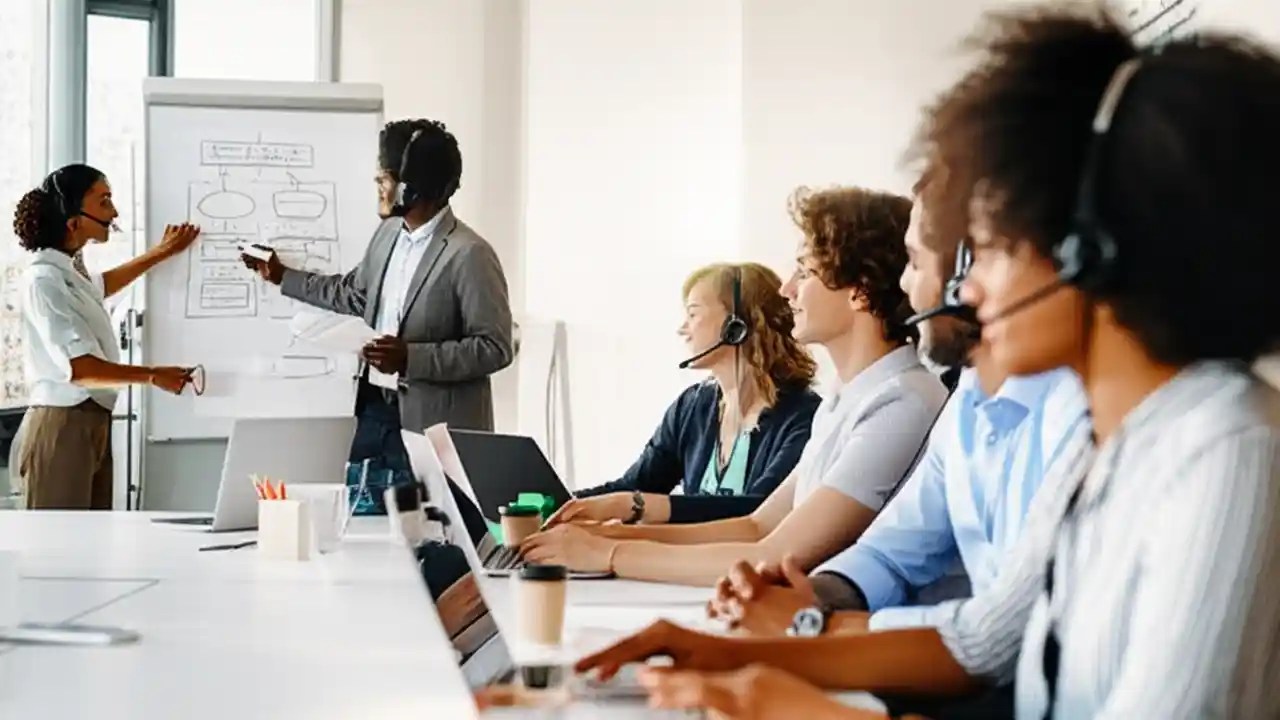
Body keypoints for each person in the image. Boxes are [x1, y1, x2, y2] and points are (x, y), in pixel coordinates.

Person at [573, 7, 1280, 719]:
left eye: (994, 251)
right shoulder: (1106, 447)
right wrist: (726, 655)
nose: (966, 291)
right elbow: (978, 641)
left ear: (1088, 255)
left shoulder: (1226, 447)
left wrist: (797, 706)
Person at [712, 175, 1091, 643]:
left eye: (914, 262)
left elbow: (998, 638)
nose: (904, 285)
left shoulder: (1070, 416)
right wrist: (808, 596)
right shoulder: (966, 401)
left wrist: (817, 623)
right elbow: (887, 554)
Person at [522, 186, 949, 586]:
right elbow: (756, 526)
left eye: (805, 271)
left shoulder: (901, 402)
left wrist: (609, 553)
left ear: (860, 291)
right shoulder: (845, 398)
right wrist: (609, 534)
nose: (787, 289)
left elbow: (775, 555)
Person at [243, 119, 514, 507]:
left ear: (412, 187)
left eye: (384, 178)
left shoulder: (470, 254)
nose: (378, 185)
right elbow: (355, 294)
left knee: (428, 538)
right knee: (362, 528)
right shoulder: (388, 235)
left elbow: (495, 347)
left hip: (432, 432)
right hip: (375, 414)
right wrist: (282, 276)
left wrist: (410, 358)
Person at [548, 261, 821, 527]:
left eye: (693, 314)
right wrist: (559, 503)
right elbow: (638, 484)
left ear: (737, 324)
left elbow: (761, 514)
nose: (683, 329)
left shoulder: (805, 417)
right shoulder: (693, 406)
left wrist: (637, 505)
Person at [12, 164, 200, 509]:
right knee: (60, 539)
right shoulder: (44, 279)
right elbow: (81, 368)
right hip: (64, 421)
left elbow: (100, 287)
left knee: (90, 536)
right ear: (73, 220)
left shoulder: (68, 270)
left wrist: (162, 252)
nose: (113, 212)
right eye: (104, 201)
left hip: (90, 419)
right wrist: (153, 375)